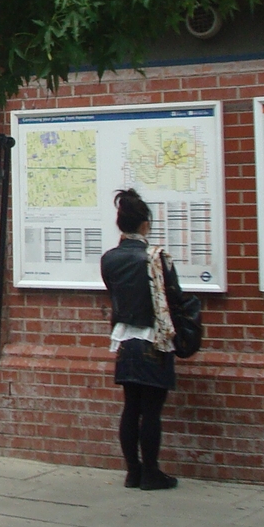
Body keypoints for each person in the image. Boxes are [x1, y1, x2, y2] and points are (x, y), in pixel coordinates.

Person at [99, 188, 188, 491]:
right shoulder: (156, 258)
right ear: (144, 224)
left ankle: (132, 471)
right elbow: (173, 297)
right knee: (151, 410)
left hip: (124, 339)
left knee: (131, 407)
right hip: (154, 338)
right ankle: (151, 471)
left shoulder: (109, 259)